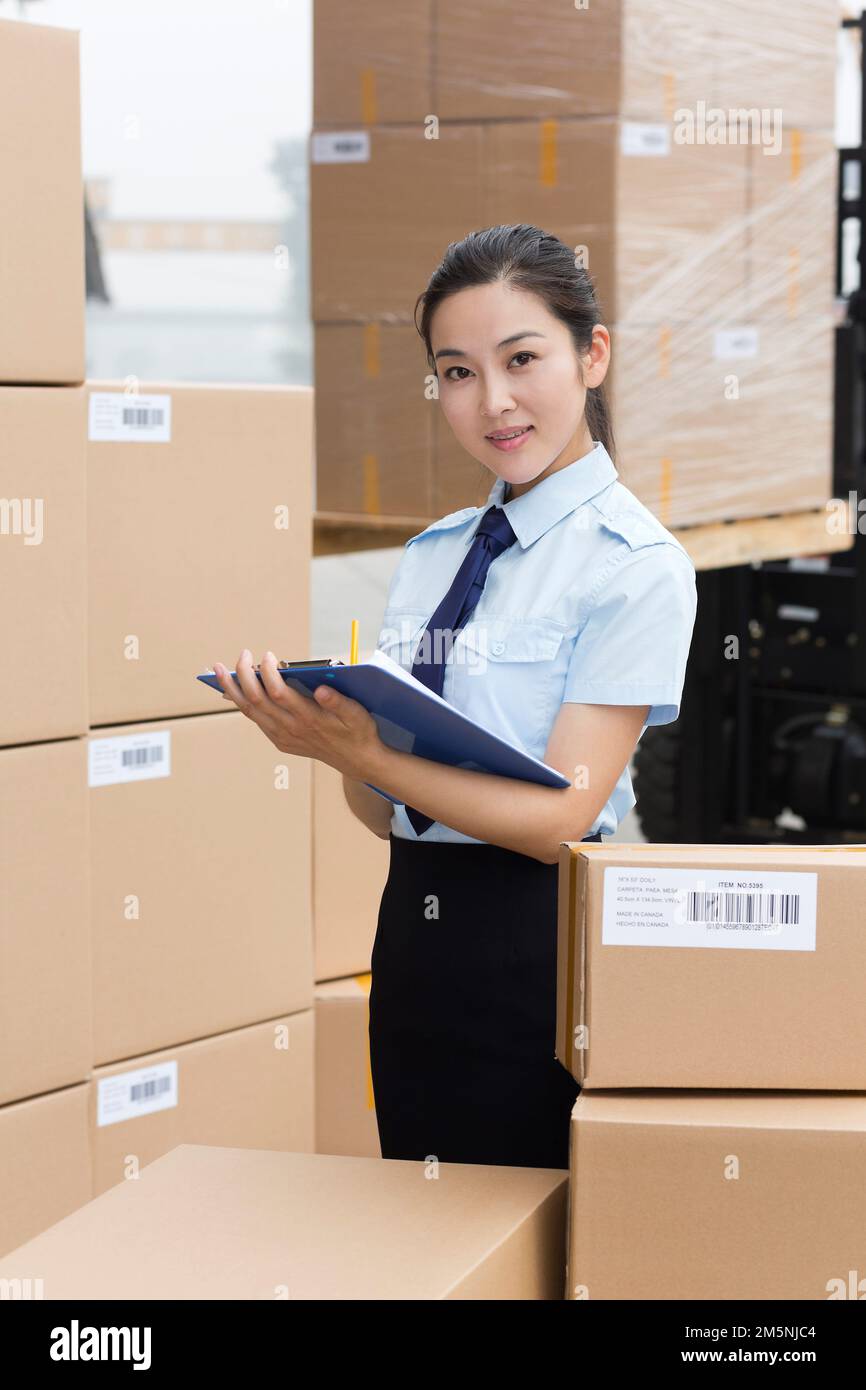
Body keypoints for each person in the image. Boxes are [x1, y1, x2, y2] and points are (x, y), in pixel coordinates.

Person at [213, 223, 698, 1171]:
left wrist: (370, 757)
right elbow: (389, 813)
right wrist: (334, 745)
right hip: (415, 936)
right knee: (427, 1234)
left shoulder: (637, 569)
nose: (494, 400)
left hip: (540, 945)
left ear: (592, 355)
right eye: (458, 371)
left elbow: (562, 815)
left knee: (531, 1237)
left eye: (522, 359)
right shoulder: (433, 556)